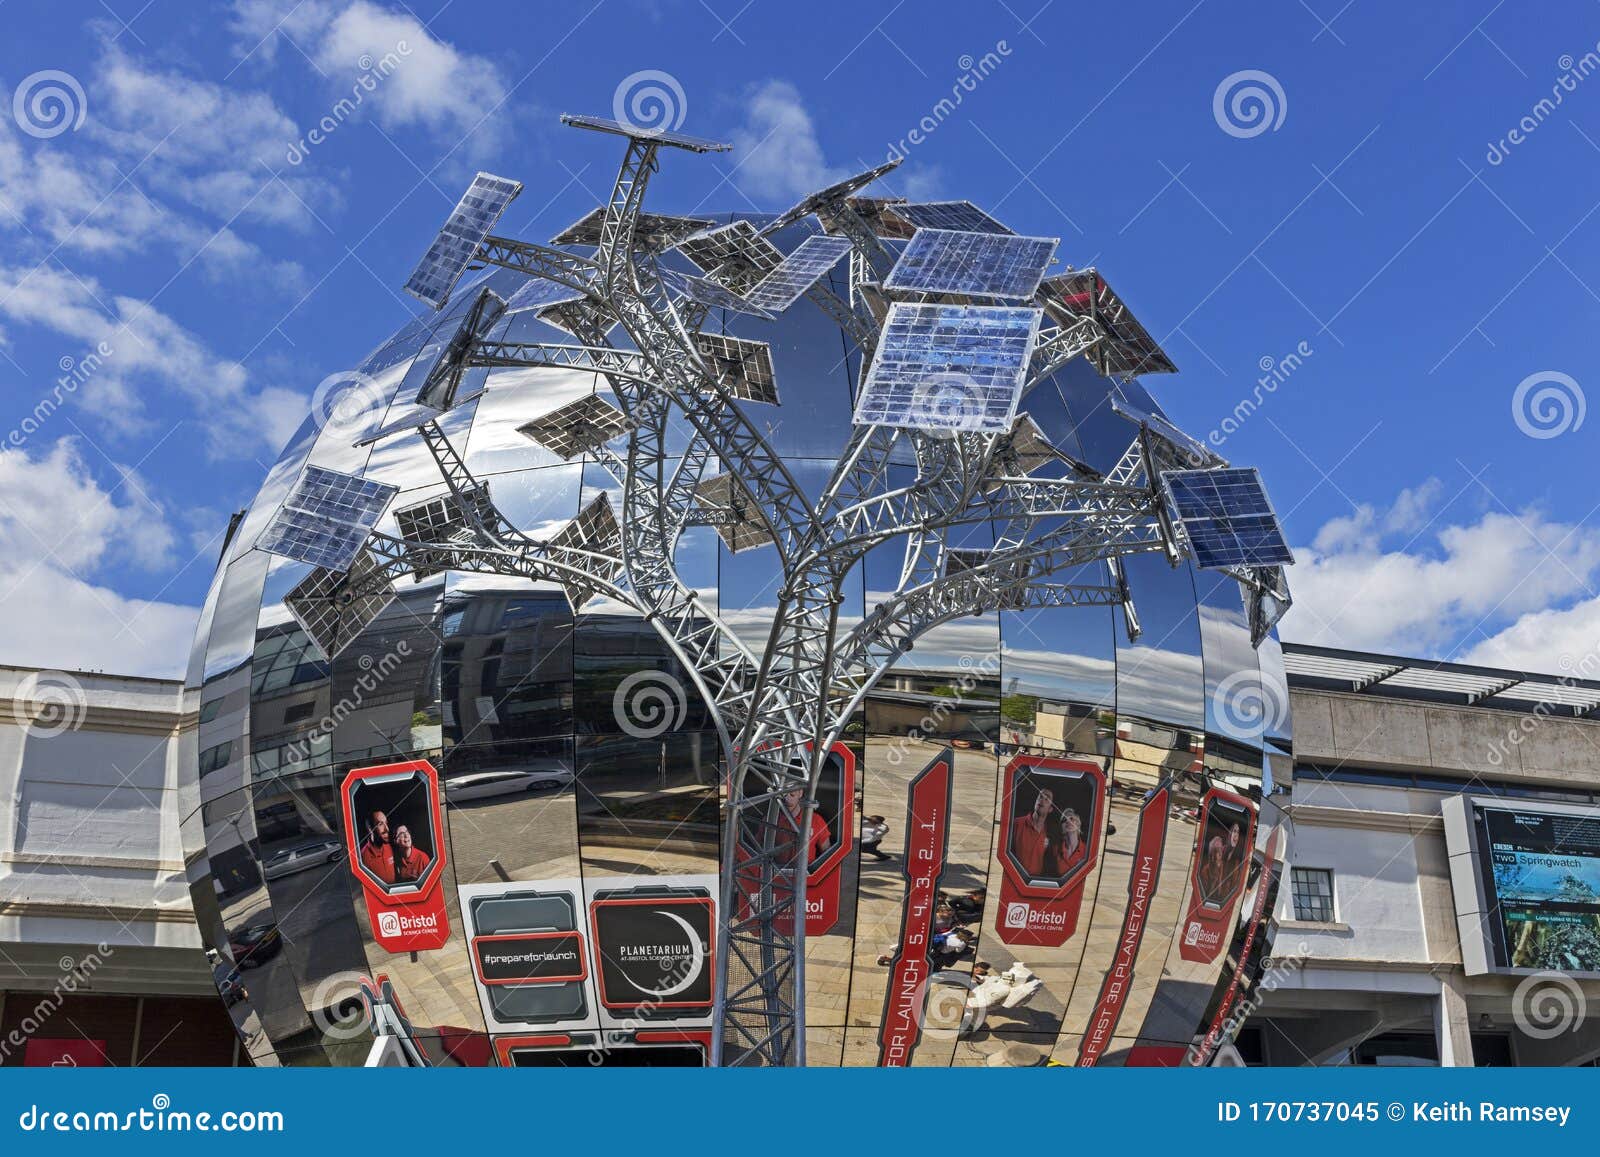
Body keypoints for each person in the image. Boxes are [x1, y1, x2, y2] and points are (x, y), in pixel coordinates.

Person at [1012, 786, 1053, 876]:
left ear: (1050, 809)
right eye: (1040, 796)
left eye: (1047, 798)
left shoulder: (1050, 835)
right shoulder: (1016, 823)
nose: (1041, 800)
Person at [360, 809, 395, 884]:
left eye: (386, 823)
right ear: (370, 829)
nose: (387, 829)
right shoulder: (363, 857)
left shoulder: (389, 847)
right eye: (380, 824)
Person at [1051, 808, 1088, 876]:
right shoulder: (1055, 850)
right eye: (1064, 820)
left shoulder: (1087, 851)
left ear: (1078, 824)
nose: (1068, 821)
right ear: (1061, 828)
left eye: (1071, 818)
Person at [1197, 834, 1231, 905]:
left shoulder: (1225, 867)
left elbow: (1227, 889)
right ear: (1212, 853)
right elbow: (1204, 896)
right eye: (1217, 850)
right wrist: (1213, 882)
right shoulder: (1205, 870)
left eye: (1221, 849)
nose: (1220, 852)